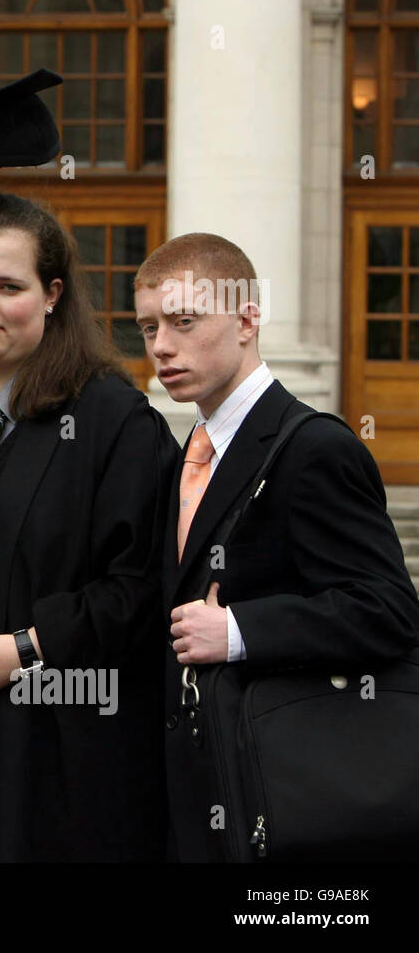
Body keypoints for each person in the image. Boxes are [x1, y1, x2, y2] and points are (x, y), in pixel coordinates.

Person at [0, 190, 178, 862]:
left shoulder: (115, 423)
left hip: (69, 755)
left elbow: (140, 587)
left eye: (7, 285)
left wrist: (23, 649)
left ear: (52, 294)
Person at [133, 232, 419, 862]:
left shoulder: (316, 448)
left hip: (285, 802)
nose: (161, 346)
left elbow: (389, 612)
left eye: (184, 321)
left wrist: (238, 630)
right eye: (149, 326)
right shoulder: (193, 451)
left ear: (247, 319)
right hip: (202, 802)